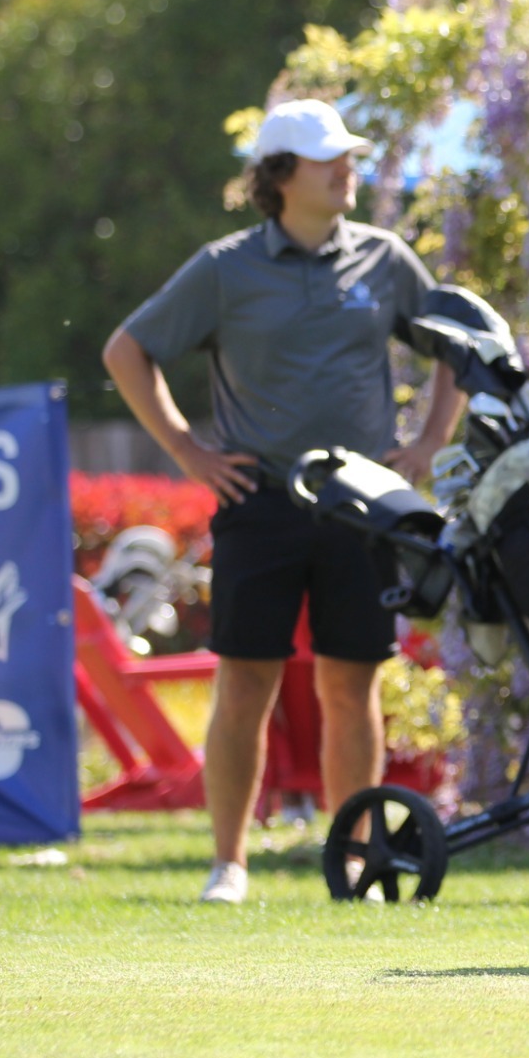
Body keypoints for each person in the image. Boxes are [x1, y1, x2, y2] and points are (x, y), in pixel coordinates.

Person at [102, 99, 465, 905]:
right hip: (259, 503)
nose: (348, 170)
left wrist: (430, 440)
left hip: (360, 506)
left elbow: (455, 346)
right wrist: (187, 450)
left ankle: (356, 862)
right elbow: (127, 351)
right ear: (279, 177)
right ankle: (228, 864)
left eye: (348, 157)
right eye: (328, 159)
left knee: (352, 685)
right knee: (247, 685)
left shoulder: (384, 258)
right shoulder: (225, 268)